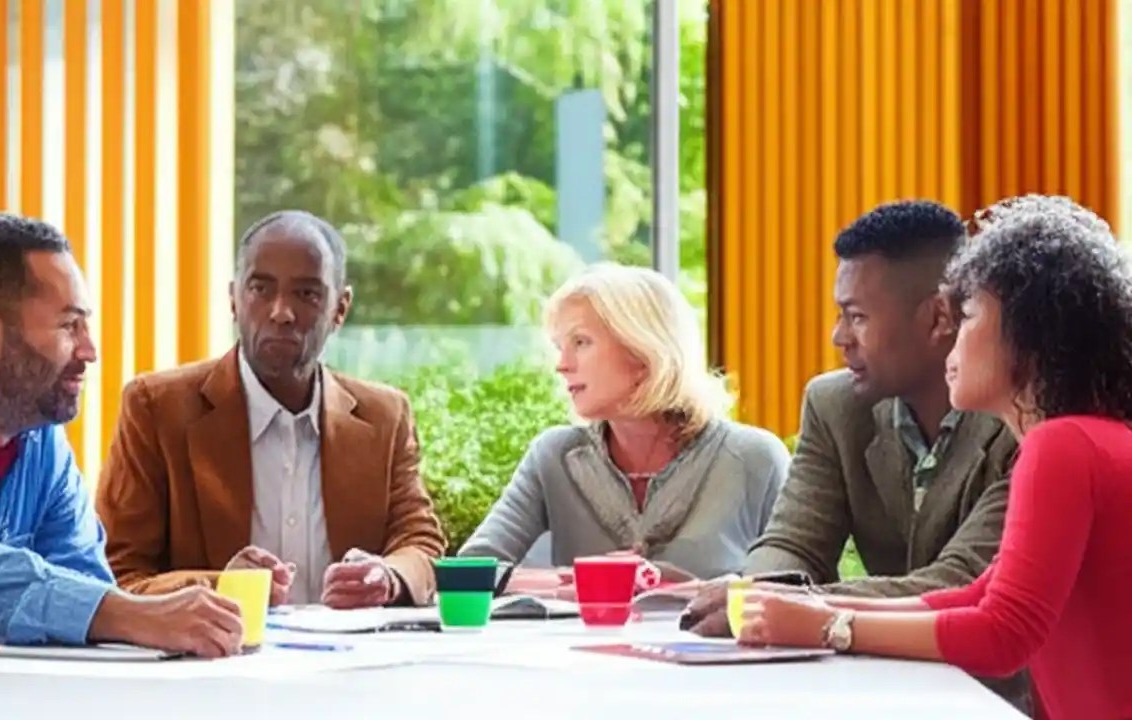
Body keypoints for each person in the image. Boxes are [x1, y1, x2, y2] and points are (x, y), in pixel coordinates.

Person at [738, 196, 1132, 720]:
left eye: (967, 317)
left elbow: (1003, 632)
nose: (952, 340)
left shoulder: (1059, 447)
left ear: (1027, 338)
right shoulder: (1087, 438)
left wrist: (826, 628)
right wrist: (818, 607)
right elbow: (975, 596)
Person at [0, 214, 244, 720]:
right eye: (68, 325)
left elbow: (81, 583)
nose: (90, 350)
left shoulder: (36, 435)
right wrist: (125, 613)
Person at [680, 200, 1026, 709]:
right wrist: (756, 592)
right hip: (869, 687)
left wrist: (799, 607)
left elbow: (963, 582)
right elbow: (793, 544)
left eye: (856, 317)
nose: (838, 337)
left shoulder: (1019, 420)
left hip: (1000, 698)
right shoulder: (835, 404)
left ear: (938, 318)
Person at [96, 210, 446, 609]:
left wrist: (388, 576)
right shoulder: (157, 408)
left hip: (351, 663)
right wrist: (223, 586)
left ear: (340, 309)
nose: (281, 312)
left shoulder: (384, 416)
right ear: (233, 298)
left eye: (307, 294)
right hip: (213, 661)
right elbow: (116, 572)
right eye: (260, 289)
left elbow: (420, 542)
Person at [458, 263, 790, 582]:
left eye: (581, 342)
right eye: (560, 347)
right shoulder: (553, 455)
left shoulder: (755, 458)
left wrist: (696, 590)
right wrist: (571, 583)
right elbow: (470, 571)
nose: (562, 365)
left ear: (643, 351)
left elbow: (797, 587)